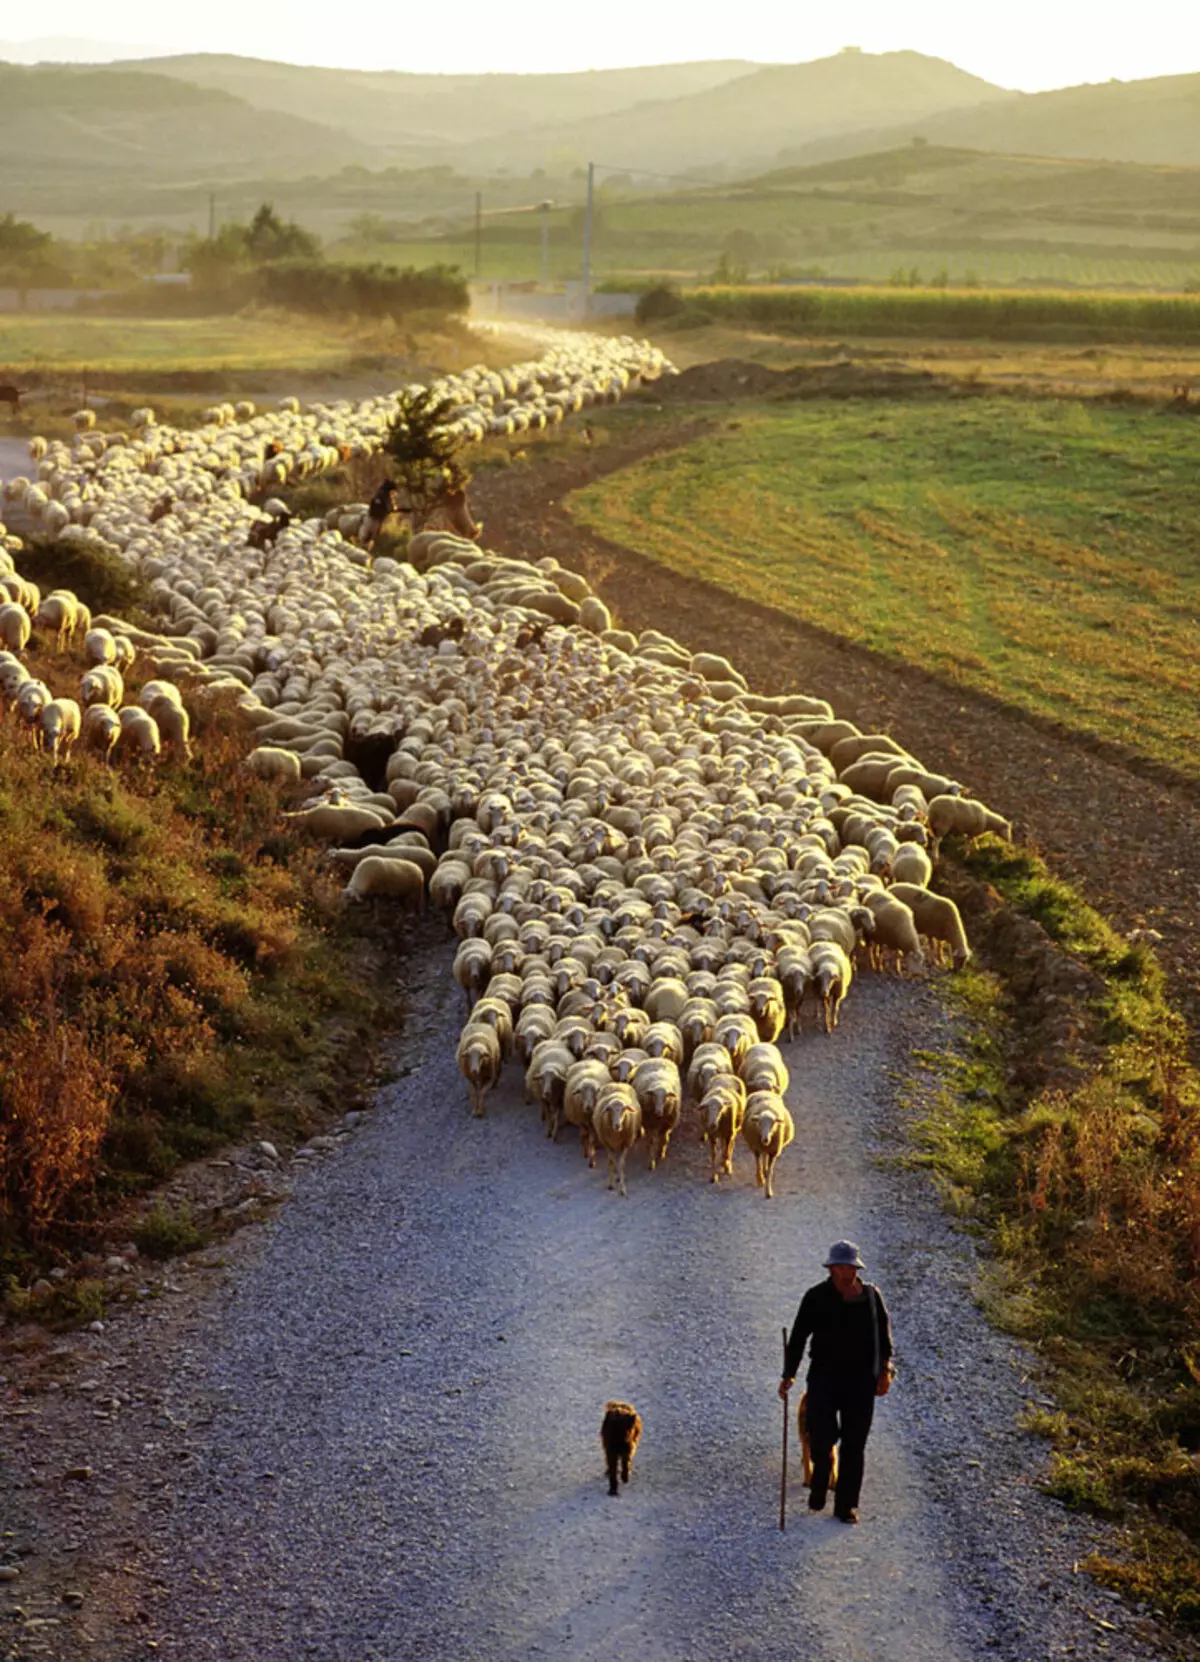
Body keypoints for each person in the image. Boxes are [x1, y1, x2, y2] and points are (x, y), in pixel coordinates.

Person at [778, 1240, 894, 1525]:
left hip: (860, 1382)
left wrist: (885, 1371)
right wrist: (788, 1374)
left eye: (850, 1267)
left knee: (854, 1446)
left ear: (857, 1268)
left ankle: (846, 1506)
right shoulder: (816, 1297)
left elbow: (885, 1340)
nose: (845, 1272)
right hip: (824, 1378)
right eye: (840, 1267)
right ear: (831, 1269)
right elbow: (798, 1338)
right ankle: (819, 1480)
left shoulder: (870, 1296)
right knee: (820, 1437)